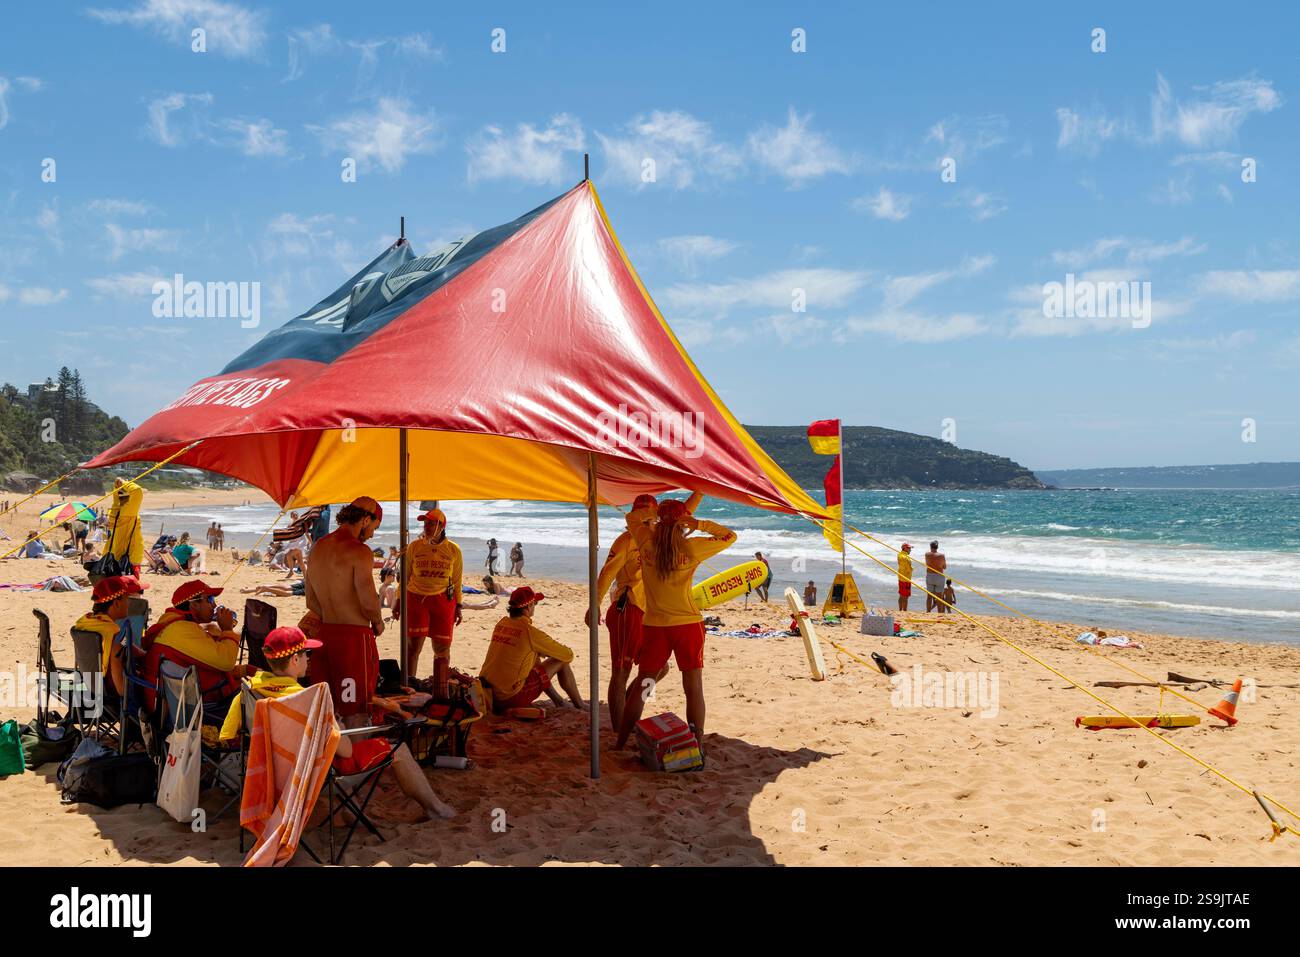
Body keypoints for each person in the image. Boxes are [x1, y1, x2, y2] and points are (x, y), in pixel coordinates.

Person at [219, 626, 454, 821]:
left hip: (275, 771)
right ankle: (436, 808)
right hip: (313, 772)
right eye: (306, 655)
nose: (309, 661)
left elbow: (228, 734)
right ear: (295, 659)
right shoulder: (308, 698)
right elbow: (346, 750)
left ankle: (352, 814)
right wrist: (339, 726)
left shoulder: (250, 690)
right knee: (399, 749)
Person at [614, 499, 736, 757]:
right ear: (684, 525)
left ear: (659, 521)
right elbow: (729, 536)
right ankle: (698, 745)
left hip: (656, 626)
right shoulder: (692, 547)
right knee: (693, 688)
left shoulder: (646, 541)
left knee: (644, 686)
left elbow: (632, 518)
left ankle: (621, 742)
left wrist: (657, 514)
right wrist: (698, 524)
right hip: (687, 627)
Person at [590, 492, 701, 732]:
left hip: (648, 616)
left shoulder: (658, 539)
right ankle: (620, 730)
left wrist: (700, 490)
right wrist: (594, 604)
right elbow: (607, 573)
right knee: (621, 672)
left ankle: (629, 704)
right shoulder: (628, 540)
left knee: (661, 669)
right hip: (626, 610)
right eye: (652, 513)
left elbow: (683, 513)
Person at [303, 497, 387, 727]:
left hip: (325, 634)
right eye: (373, 528)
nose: (371, 535)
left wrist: (332, 612)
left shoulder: (317, 547)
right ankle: (357, 757)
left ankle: (332, 760)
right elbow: (368, 601)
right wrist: (378, 622)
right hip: (353, 638)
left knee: (326, 707)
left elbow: (311, 600)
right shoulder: (359, 551)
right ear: (365, 520)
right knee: (355, 708)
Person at [140, 579, 251, 719]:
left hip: (175, 700)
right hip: (192, 708)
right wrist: (227, 630)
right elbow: (226, 661)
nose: (214, 605)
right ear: (194, 604)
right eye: (210, 600)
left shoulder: (175, 622)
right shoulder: (182, 630)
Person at [480, 587, 583, 713]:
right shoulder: (529, 632)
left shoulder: (501, 624)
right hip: (509, 698)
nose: (535, 606)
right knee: (561, 661)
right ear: (528, 607)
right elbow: (568, 655)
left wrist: (538, 651)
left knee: (533, 656)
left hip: (488, 693)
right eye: (534, 604)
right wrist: (546, 651)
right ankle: (579, 704)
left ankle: (558, 701)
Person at [395, 508, 462, 688]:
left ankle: (440, 688)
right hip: (416, 599)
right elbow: (405, 576)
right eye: (425, 524)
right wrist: (398, 600)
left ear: (441, 526)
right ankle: (409, 687)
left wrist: (459, 605)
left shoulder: (453, 550)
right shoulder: (414, 547)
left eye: (431, 523)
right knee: (413, 648)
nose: (427, 527)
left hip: (443, 602)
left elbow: (456, 580)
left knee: (442, 650)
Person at [73, 575, 148, 700]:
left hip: (90, 685)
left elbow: (129, 646)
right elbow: (117, 672)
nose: (128, 605)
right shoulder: (115, 635)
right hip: (110, 691)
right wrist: (126, 700)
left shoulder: (84, 623)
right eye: (126, 600)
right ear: (117, 603)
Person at [106, 478, 145, 577]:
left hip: (114, 560)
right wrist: (124, 482)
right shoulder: (127, 515)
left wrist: (118, 487)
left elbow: (118, 501)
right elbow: (137, 490)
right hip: (128, 563)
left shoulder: (114, 514)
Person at [924, 540, 947, 613]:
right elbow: (944, 567)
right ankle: (939, 613)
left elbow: (927, 564)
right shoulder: (941, 555)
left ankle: (928, 611)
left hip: (930, 575)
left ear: (930, 547)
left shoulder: (927, 554)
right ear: (937, 547)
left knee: (929, 596)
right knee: (939, 597)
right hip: (939, 576)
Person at [897, 543, 913, 612]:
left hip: (901, 577)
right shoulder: (906, 558)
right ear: (905, 548)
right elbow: (909, 568)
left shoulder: (900, 555)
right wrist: (912, 568)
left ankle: (900, 610)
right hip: (906, 579)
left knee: (901, 595)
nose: (910, 550)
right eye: (909, 548)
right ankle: (904, 611)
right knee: (905, 596)